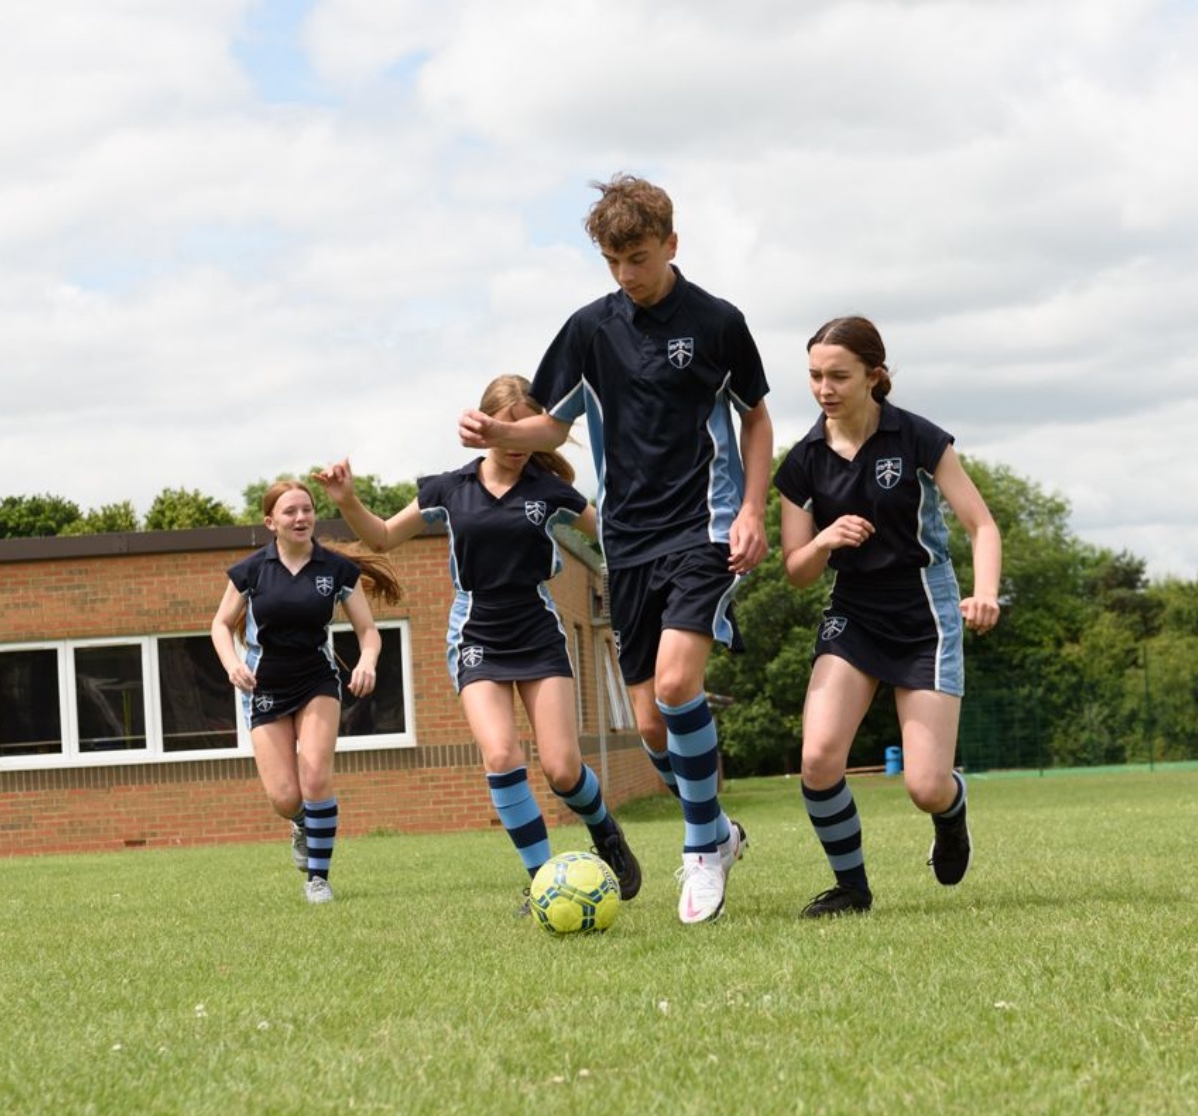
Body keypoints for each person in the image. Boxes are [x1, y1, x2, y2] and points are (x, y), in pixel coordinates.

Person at [459, 175, 774, 925]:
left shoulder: (720, 322)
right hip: (625, 546)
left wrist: (754, 509)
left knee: (675, 684)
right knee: (652, 727)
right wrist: (503, 434)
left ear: (671, 243)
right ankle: (722, 829)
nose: (627, 275)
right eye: (612, 261)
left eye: (637, 256)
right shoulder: (589, 329)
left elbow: (756, 419)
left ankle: (701, 850)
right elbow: (552, 424)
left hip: (702, 529)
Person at [314, 374, 642, 912]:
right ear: (483, 427)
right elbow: (380, 537)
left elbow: (614, 534)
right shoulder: (449, 489)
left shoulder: (550, 491)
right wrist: (347, 500)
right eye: (505, 433)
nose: (515, 447)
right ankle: (543, 883)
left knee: (562, 767)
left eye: (525, 434)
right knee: (500, 753)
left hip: (537, 630)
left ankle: (605, 832)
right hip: (477, 634)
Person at [774, 316, 1002, 917]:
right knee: (818, 759)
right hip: (853, 615)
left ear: (874, 377)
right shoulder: (802, 462)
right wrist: (823, 541)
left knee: (925, 785)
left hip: (925, 613)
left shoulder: (919, 439)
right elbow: (795, 570)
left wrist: (985, 593)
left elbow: (982, 525)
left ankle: (951, 817)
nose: (824, 388)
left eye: (838, 376)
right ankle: (852, 888)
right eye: (815, 376)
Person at [211, 479, 402, 904]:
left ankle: (318, 878)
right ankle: (301, 822)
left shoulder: (335, 569)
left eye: (307, 510)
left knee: (315, 775)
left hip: (317, 679)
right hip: (265, 683)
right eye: (290, 512)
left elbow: (368, 631)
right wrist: (232, 664)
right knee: (284, 797)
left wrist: (367, 660)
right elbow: (221, 625)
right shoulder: (251, 570)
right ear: (271, 522)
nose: (301, 518)